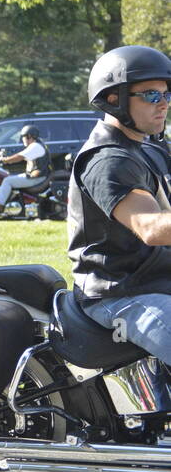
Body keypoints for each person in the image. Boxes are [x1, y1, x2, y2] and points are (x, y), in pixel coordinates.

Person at [68, 45, 171, 365]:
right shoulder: (108, 159)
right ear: (115, 98)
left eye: (168, 95)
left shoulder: (148, 149)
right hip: (122, 294)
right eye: (152, 95)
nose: (164, 104)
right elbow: (151, 228)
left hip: (155, 280)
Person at [0, 125, 50, 214]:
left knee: (7, 181)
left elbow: (19, 157)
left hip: (36, 177)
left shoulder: (35, 146)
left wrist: (4, 160)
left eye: (23, 136)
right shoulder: (38, 144)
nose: (22, 139)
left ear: (29, 136)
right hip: (36, 175)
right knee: (9, 176)